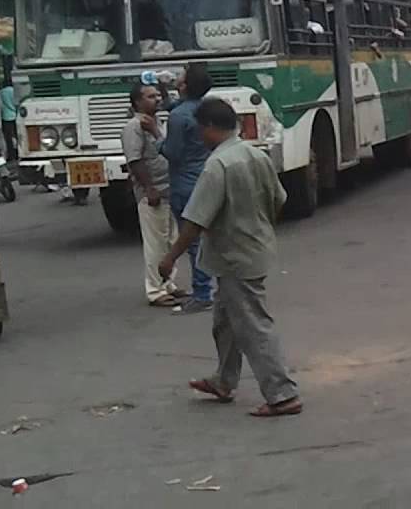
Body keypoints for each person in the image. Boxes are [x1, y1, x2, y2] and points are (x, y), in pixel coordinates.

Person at [158, 98, 302, 418]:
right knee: (225, 320)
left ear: (209, 127)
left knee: (253, 325)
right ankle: (224, 380)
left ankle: (282, 393)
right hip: (251, 250)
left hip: (235, 255)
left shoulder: (217, 165)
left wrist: (170, 257)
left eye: (200, 128)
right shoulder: (254, 154)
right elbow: (279, 198)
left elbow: (195, 220)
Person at [124, 83, 188, 308]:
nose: (157, 99)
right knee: (155, 243)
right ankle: (155, 290)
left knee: (170, 239)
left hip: (169, 189)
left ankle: (168, 283)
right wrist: (149, 188)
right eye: (151, 97)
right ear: (137, 103)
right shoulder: (134, 127)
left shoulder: (157, 123)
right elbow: (135, 160)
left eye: (158, 95)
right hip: (153, 193)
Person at [161, 64, 215, 314]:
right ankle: (208, 288)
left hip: (184, 182)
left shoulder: (179, 117)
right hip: (205, 179)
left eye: (180, 77)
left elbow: (172, 152)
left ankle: (202, 293)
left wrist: (155, 136)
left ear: (184, 85)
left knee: (192, 240)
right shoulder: (204, 109)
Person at [0, 82, 17, 161]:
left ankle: (11, 155)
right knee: (18, 136)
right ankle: (18, 152)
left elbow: (0, 104)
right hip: (15, 115)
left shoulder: (1, 92)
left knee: (8, 138)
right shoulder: (15, 90)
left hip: (6, 116)